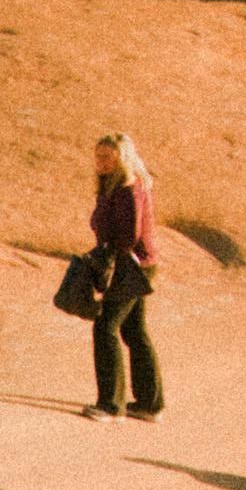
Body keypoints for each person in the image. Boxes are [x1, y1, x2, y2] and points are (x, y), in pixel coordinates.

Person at [82, 133, 163, 419]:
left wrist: (109, 261)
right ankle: (149, 404)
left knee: (106, 327)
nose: (100, 162)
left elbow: (129, 235)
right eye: (98, 156)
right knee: (134, 330)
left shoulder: (127, 188)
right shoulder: (118, 184)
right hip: (141, 264)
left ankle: (110, 405)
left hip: (130, 266)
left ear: (122, 158)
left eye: (107, 157)